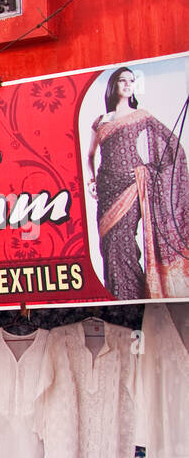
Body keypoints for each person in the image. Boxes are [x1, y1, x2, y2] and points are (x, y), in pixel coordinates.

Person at [86, 65, 189, 299]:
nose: (127, 84)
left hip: (132, 186)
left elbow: (174, 147)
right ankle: (117, 296)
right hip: (107, 188)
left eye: (131, 81)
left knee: (124, 241)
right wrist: (92, 179)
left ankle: (132, 296)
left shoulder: (142, 116)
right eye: (123, 80)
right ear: (114, 85)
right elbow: (90, 156)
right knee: (110, 245)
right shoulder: (101, 121)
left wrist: (149, 171)